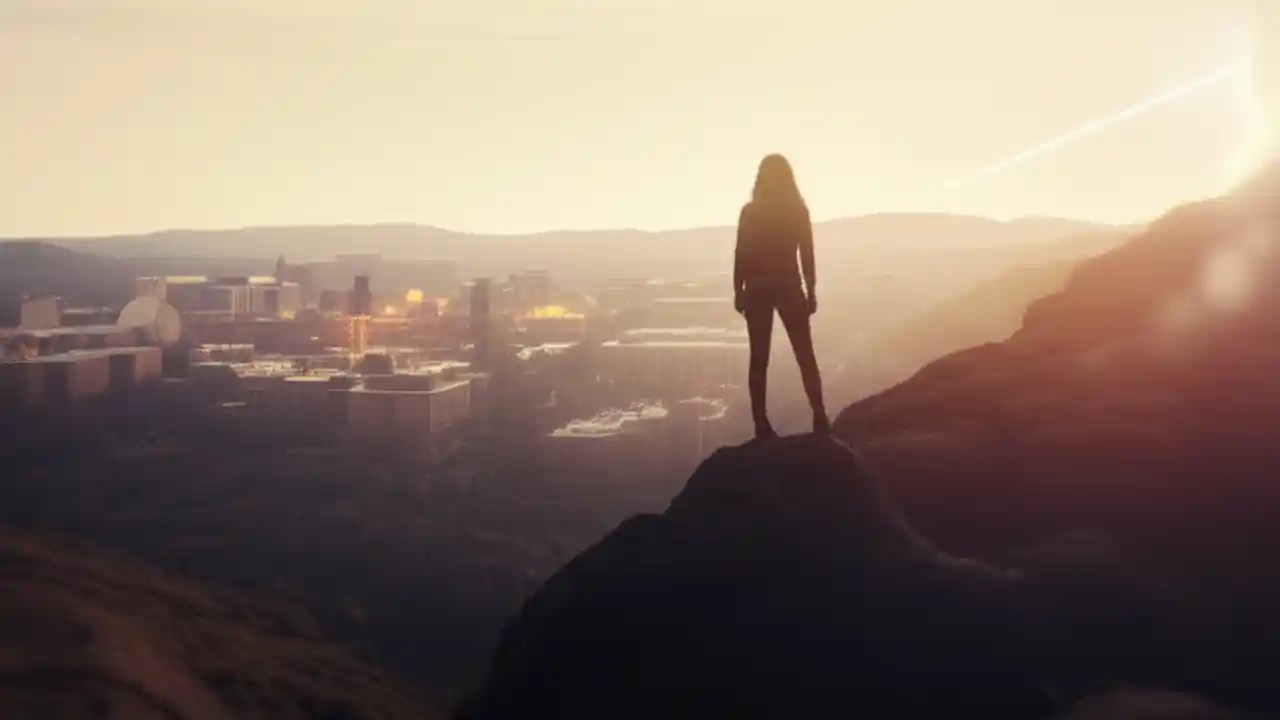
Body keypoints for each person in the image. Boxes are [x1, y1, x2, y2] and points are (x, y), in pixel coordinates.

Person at [734, 153, 830, 440]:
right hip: (788, 285)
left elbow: (742, 252)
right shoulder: (797, 211)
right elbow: (807, 254)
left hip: (757, 288)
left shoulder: (750, 212)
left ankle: (760, 424)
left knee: (759, 359)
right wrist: (811, 291)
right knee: (805, 354)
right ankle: (820, 415)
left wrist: (737, 290)